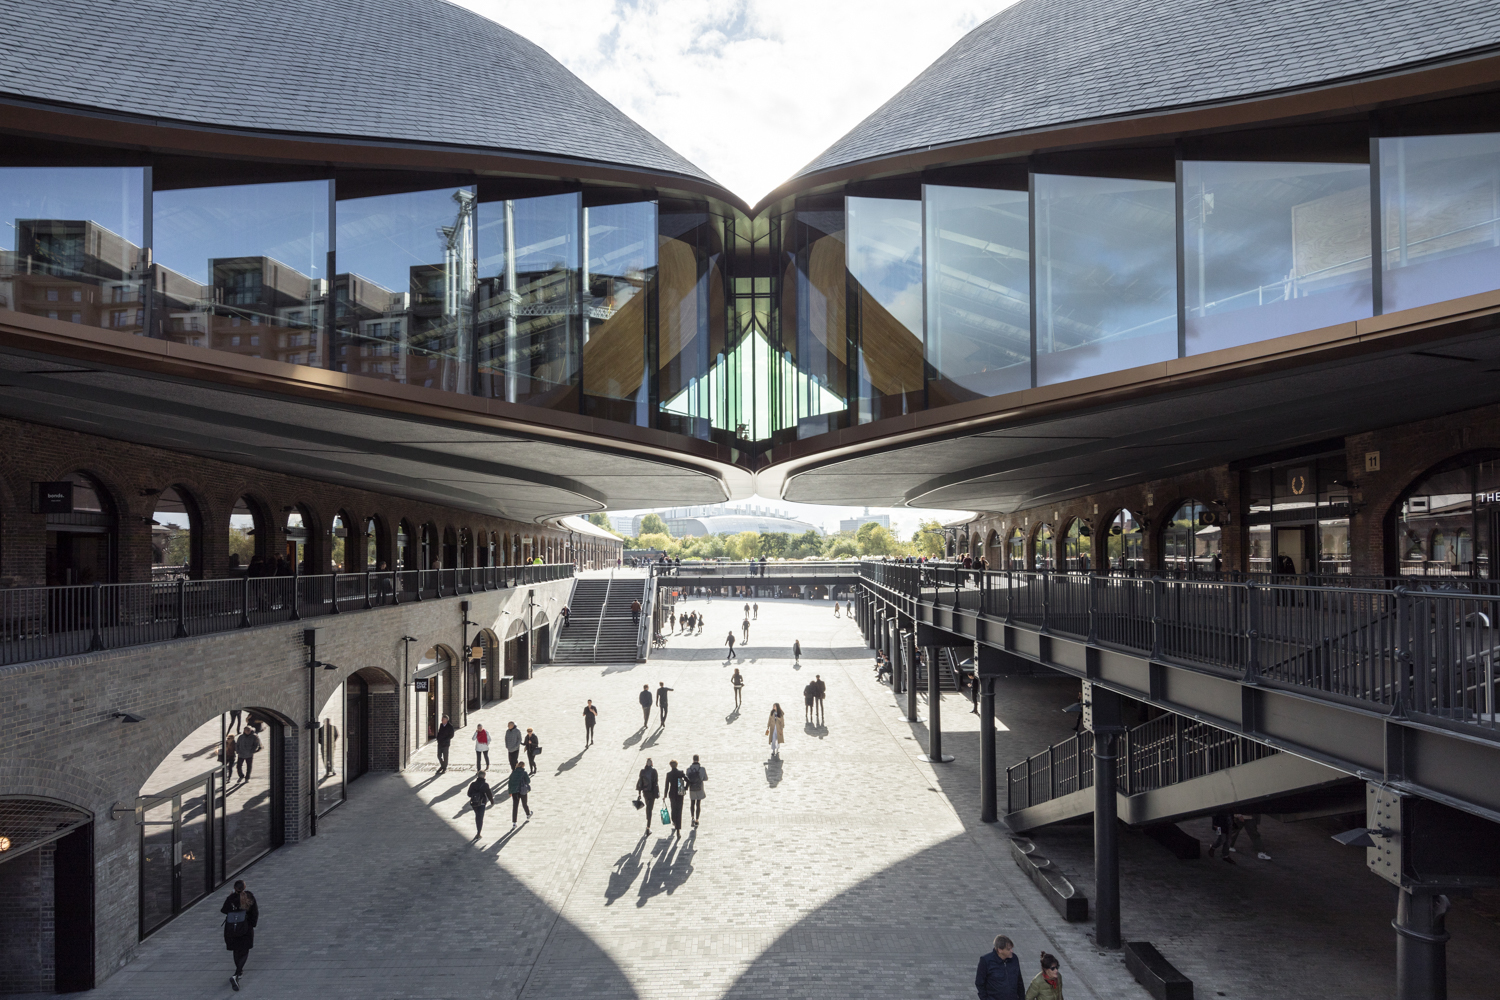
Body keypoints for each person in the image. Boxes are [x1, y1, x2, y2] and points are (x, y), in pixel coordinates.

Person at [220, 879, 258, 991]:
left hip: (231, 929)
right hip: (245, 928)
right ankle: (237, 973)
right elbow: (254, 912)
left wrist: (231, 898)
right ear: (244, 887)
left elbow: (224, 910)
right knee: (244, 950)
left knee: (236, 950)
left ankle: (238, 972)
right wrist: (252, 924)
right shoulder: (249, 896)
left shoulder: (231, 898)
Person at [975, 935, 1023, 1000]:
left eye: (1011, 948)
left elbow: (1019, 981)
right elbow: (979, 983)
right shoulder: (986, 961)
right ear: (1000, 950)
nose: (1012, 951)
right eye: (1008, 949)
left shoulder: (1014, 959)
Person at [467, 770, 495, 838]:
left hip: (474, 803)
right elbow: (489, 794)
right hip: (482, 803)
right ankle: (478, 832)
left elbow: (469, 794)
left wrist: (475, 795)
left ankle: (478, 830)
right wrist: (492, 801)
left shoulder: (473, 784)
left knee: (477, 816)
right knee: (480, 817)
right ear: (484, 776)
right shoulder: (485, 785)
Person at [664, 759, 687, 836]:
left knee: (673, 809)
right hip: (680, 792)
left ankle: (674, 821)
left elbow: (667, 786)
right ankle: (678, 829)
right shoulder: (680, 772)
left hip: (672, 793)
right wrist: (685, 787)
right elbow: (688, 780)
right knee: (679, 810)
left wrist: (664, 795)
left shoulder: (669, 774)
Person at [636, 758, 659, 834]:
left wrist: (639, 794)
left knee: (648, 806)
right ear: (652, 764)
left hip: (645, 792)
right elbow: (656, 782)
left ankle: (647, 818)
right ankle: (648, 826)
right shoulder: (654, 771)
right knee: (650, 808)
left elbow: (640, 783)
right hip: (652, 792)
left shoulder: (642, 771)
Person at [507, 761, 532, 826]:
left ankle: (514, 822)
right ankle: (528, 814)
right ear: (523, 766)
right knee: (524, 804)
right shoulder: (524, 773)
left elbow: (509, 782)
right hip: (523, 790)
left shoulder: (513, 773)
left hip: (515, 791)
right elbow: (528, 781)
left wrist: (510, 792)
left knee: (515, 806)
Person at [686, 755, 708, 826]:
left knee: (692, 803)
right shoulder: (702, 769)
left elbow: (687, 779)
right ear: (698, 759)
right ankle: (697, 819)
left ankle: (692, 817)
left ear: (693, 759)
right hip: (699, 788)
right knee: (698, 804)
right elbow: (705, 778)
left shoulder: (688, 769)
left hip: (692, 788)